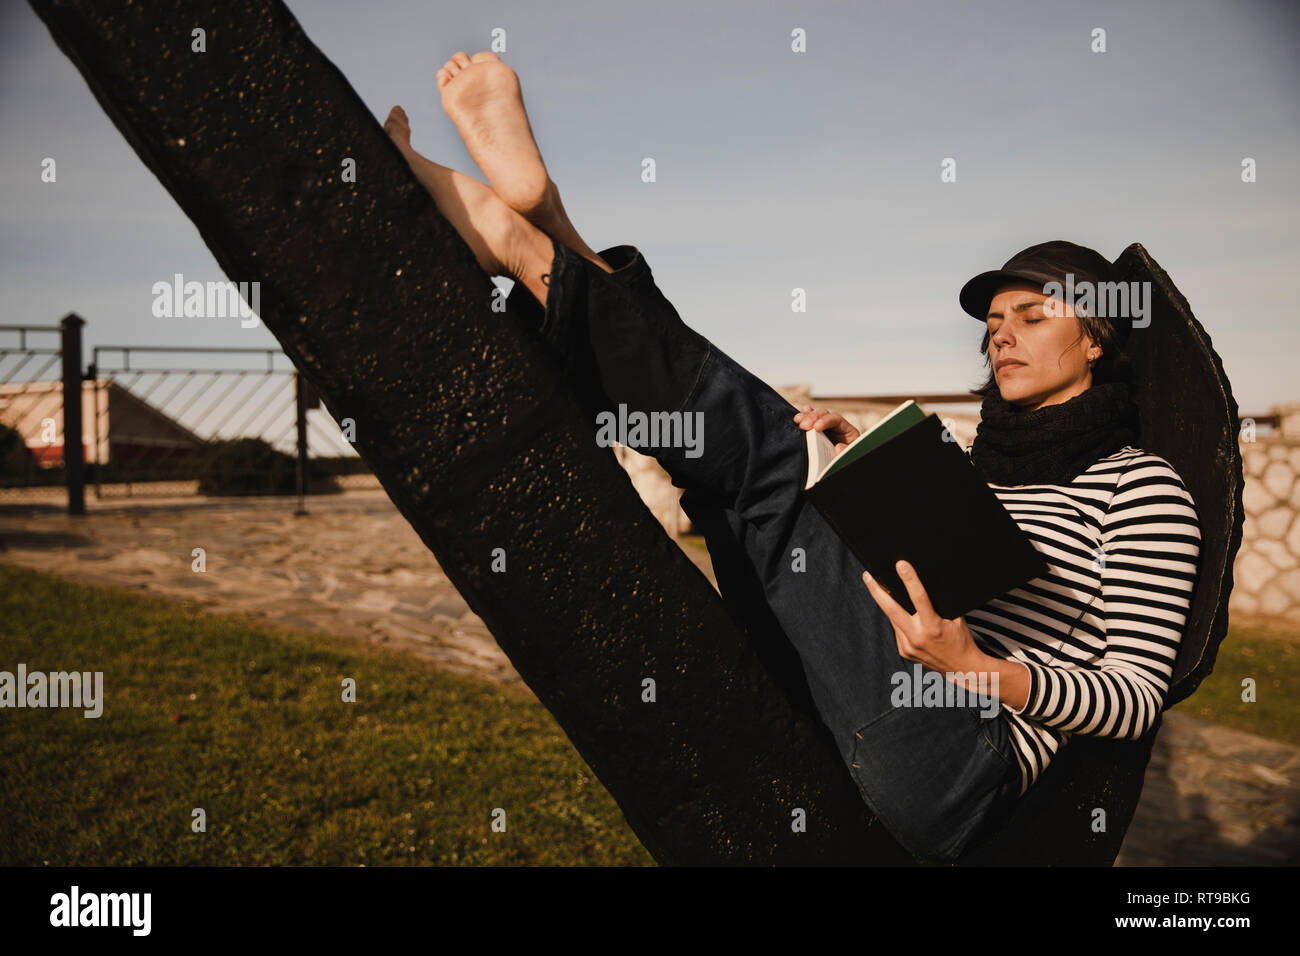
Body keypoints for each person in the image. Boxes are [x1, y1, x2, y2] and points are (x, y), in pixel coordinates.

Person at [383, 51, 1203, 864]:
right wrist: (857, 470)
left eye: (1032, 315)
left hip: (964, 765)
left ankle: (535, 246)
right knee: (748, 472)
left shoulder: (1142, 488)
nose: (1002, 333)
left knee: (771, 459)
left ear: (1095, 337)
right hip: (872, 690)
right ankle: (551, 233)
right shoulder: (976, 461)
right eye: (994, 321)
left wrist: (977, 666)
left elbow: (1136, 698)